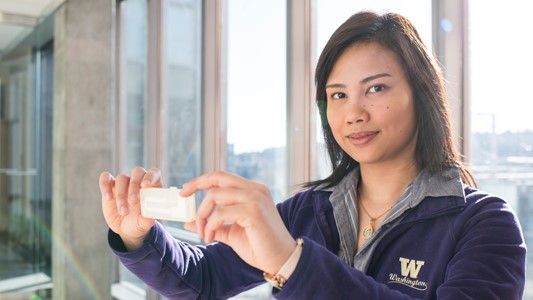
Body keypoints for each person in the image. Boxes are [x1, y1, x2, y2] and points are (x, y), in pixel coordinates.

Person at [99, 11, 526, 299]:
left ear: (423, 95)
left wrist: (291, 262)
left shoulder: (484, 224)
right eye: (338, 95)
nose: (354, 113)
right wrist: (138, 235)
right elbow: (204, 279)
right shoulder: (310, 210)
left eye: (375, 88)